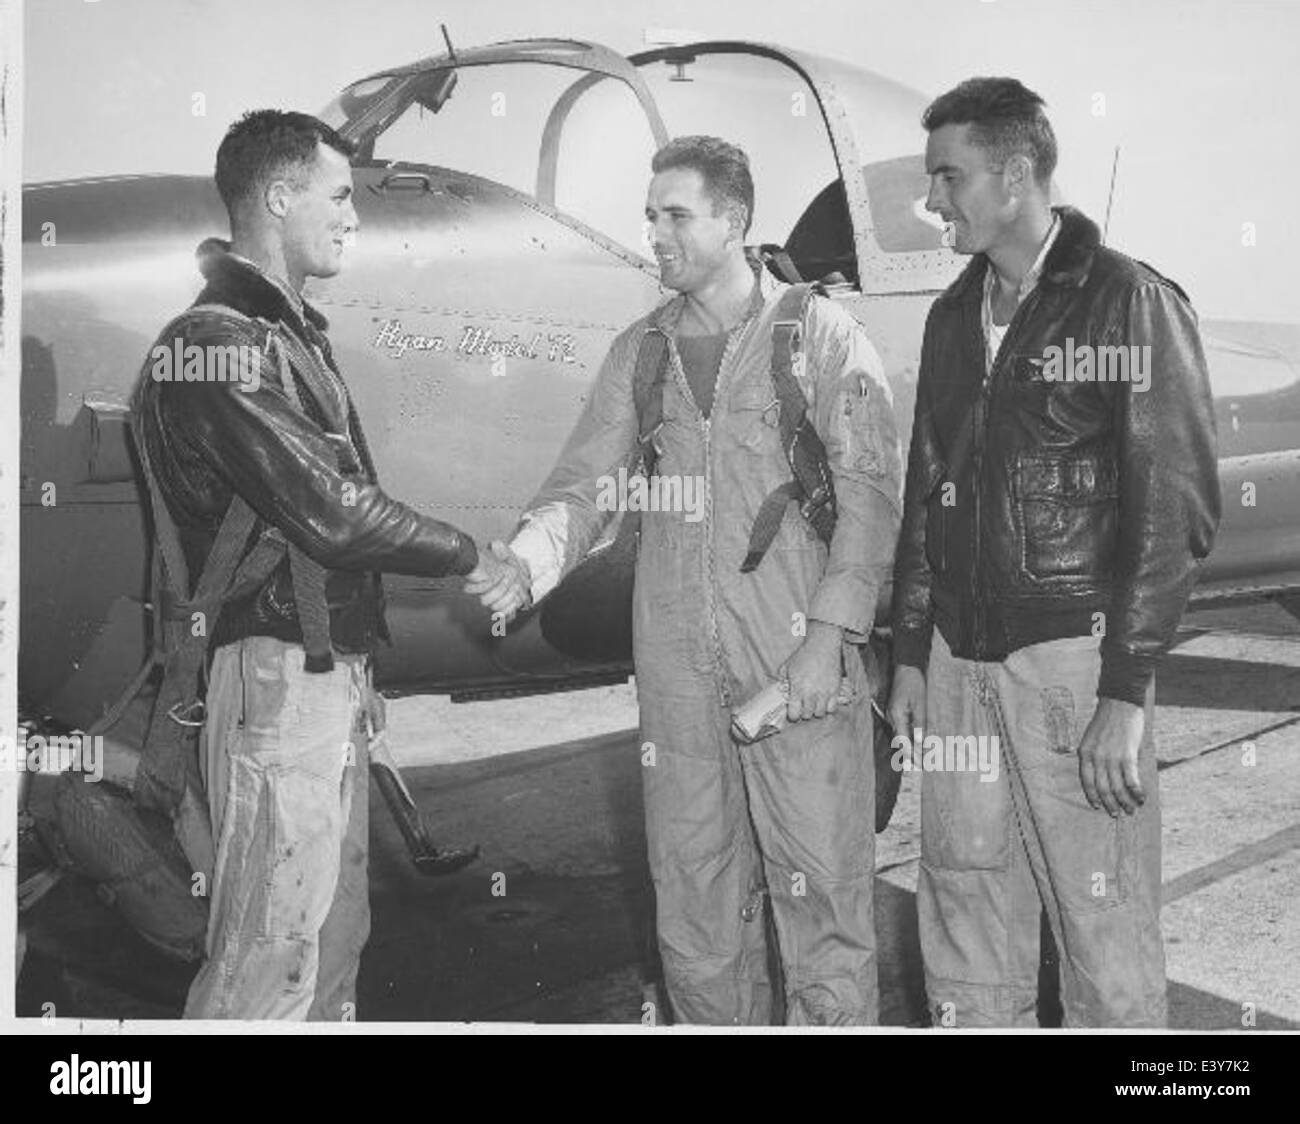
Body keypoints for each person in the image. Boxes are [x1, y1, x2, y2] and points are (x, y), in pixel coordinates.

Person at [469, 136, 902, 1025]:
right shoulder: (643, 352)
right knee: (695, 903)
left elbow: (869, 500)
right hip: (676, 672)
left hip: (795, 663)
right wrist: (528, 562)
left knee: (821, 898)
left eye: (676, 215)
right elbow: (585, 486)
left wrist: (829, 642)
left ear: (733, 222)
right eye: (650, 215)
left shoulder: (815, 337)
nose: (655, 234)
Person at [134, 109, 507, 1020]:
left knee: (330, 945)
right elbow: (334, 515)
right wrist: (469, 554)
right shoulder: (218, 345)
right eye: (338, 196)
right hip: (275, 688)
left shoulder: (285, 335)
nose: (352, 217)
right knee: (267, 967)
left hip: (317, 681)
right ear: (277, 195)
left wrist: (356, 666)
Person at [888, 78, 1220, 1027]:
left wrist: (1128, 689)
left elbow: (1177, 507)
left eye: (948, 177)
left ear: (1018, 171)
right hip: (957, 664)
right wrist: (911, 655)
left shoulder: (1128, 302)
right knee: (963, 918)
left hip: (1074, 670)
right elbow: (928, 496)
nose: (935, 200)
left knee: (1103, 935)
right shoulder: (951, 318)